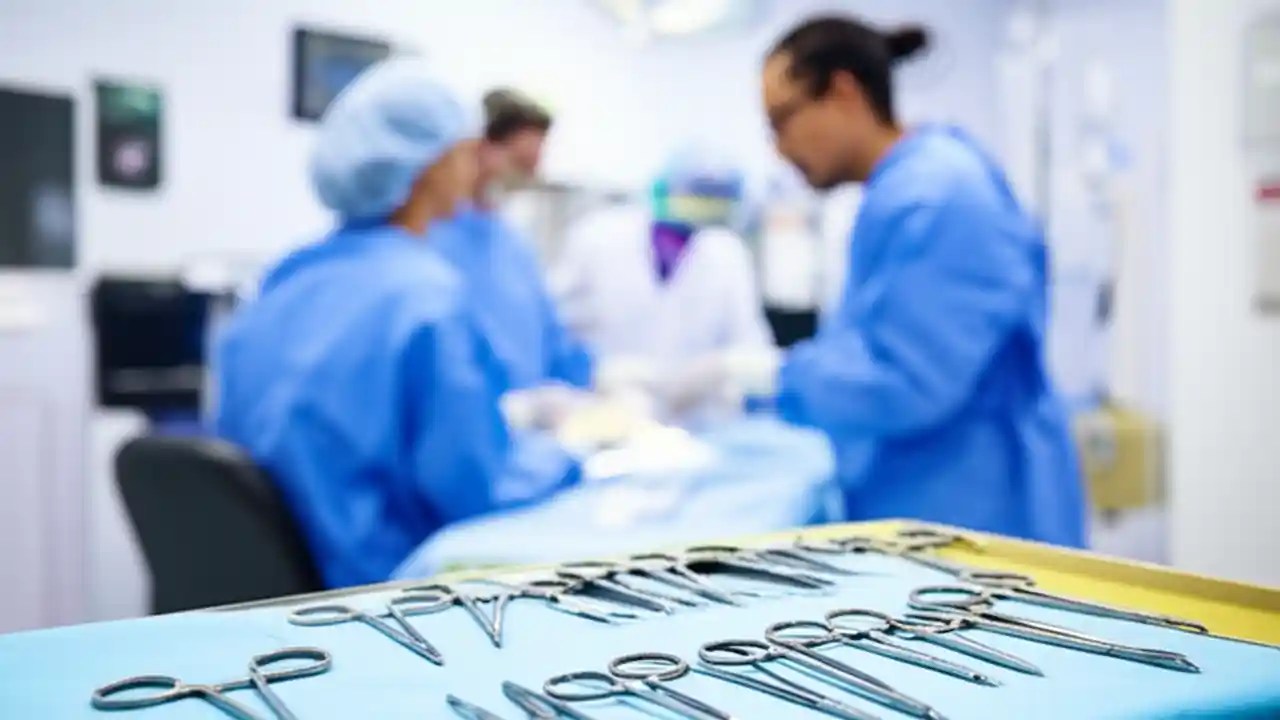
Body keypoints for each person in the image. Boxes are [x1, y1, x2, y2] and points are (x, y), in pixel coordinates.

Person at [214, 59, 579, 588]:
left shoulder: (284, 279)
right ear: (430, 167)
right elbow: (474, 485)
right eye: (464, 152)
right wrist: (567, 457)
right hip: (376, 590)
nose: (473, 167)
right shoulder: (425, 298)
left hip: (274, 592)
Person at [753, 16, 1085, 545]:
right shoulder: (900, 191)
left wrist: (774, 378)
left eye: (782, 119)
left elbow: (907, 383)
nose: (778, 146)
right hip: (932, 511)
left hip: (977, 523)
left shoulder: (937, 195)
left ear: (842, 92)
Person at [553, 151, 773, 423]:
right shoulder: (598, 237)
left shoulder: (728, 253)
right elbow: (557, 330)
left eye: (716, 196)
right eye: (698, 193)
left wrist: (718, 371)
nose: (704, 203)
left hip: (700, 420)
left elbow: (750, 343)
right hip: (608, 414)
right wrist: (599, 372)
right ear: (665, 188)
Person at [432, 89, 592, 394]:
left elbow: (552, 344)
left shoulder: (514, 246)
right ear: (480, 148)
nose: (530, 175)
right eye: (521, 162)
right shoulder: (432, 238)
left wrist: (596, 376)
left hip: (524, 431)